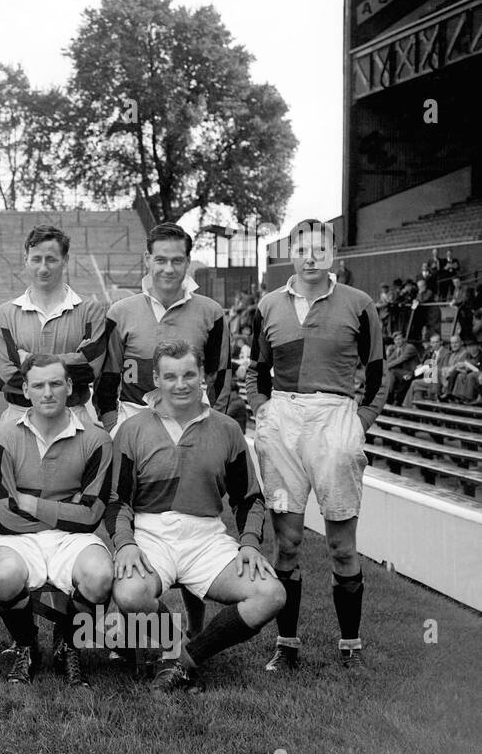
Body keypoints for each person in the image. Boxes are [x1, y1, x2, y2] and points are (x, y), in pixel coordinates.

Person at [246, 218, 386, 671]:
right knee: (287, 542)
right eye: (302, 248)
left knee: (342, 544)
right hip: (283, 417)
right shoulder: (268, 305)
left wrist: (360, 422)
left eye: (319, 248)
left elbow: (380, 375)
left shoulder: (360, 304)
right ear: (291, 252)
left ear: (333, 254)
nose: (310, 256)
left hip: (334, 416)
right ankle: (287, 644)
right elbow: (255, 370)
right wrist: (262, 410)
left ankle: (350, 645)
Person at [107, 340, 283, 693]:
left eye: (189, 374)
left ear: (203, 375)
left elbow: (249, 498)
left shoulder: (226, 428)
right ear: (156, 379)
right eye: (170, 376)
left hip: (205, 537)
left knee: (271, 595)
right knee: (129, 595)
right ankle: (166, 648)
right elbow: (116, 500)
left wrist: (248, 544)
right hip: (151, 533)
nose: (181, 384)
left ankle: (185, 658)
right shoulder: (132, 429)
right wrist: (125, 543)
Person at [95, 220, 231, 638]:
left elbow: (222, 374)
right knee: (127, 509)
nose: (168, 269)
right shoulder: (121, 311)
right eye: (160, 259)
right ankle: (125, 616)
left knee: (190, 511)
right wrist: (113, 422)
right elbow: (107, 376)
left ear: (188, 262)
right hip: (136, 418)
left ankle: (193, 619)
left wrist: (213, 425)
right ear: (147, 260)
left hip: (192, 416)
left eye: (177, 260)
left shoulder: (210, 311)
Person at [0, 354, 114, 688]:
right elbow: (1, 515)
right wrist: (63, 511)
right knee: (3, 574)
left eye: (56, 383)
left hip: (73, 539)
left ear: (69, 387)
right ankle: (27, 646)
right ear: (25, 390)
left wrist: (29, 502)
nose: (48, 392)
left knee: (99, 576)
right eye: (39, 385)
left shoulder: (97, 439)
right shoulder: (2, 436)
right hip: (17, 537)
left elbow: (92, 515)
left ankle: (68, 646)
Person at [0, 224, 108, 428]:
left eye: (51, 259)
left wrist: (27, 360)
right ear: (25, 260)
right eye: (36, 259)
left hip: (74, 418)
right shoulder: (3, 314)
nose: (43, 268)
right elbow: (4, 379)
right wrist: (70, 360)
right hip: (17, 419)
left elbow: (89, 370)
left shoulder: (92, 311)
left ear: (65, 261)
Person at [438, 333, 481, 402]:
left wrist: (464, 366)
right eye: (469, 346)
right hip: (464, 371)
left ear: (478, 346)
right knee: (452, 373)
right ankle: (450, 395)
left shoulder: (468, 354)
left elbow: (476, 368)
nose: (471, 348)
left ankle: (463, 397)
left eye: (473, 346)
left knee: (462, 374)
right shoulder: (453, 354)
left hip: (475, 373)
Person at [383, 331, 420, 407]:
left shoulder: (409, 347)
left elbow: (399, 360)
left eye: (399, 339)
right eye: (396, 340)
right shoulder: (397, 349)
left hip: (413, 373)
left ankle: (390, 397)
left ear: (404, 339)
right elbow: (389, 360)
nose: (398, 341)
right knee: (390, 372)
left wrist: (384, 368)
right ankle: (390, 398)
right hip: (403, 373)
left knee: (392, 371)